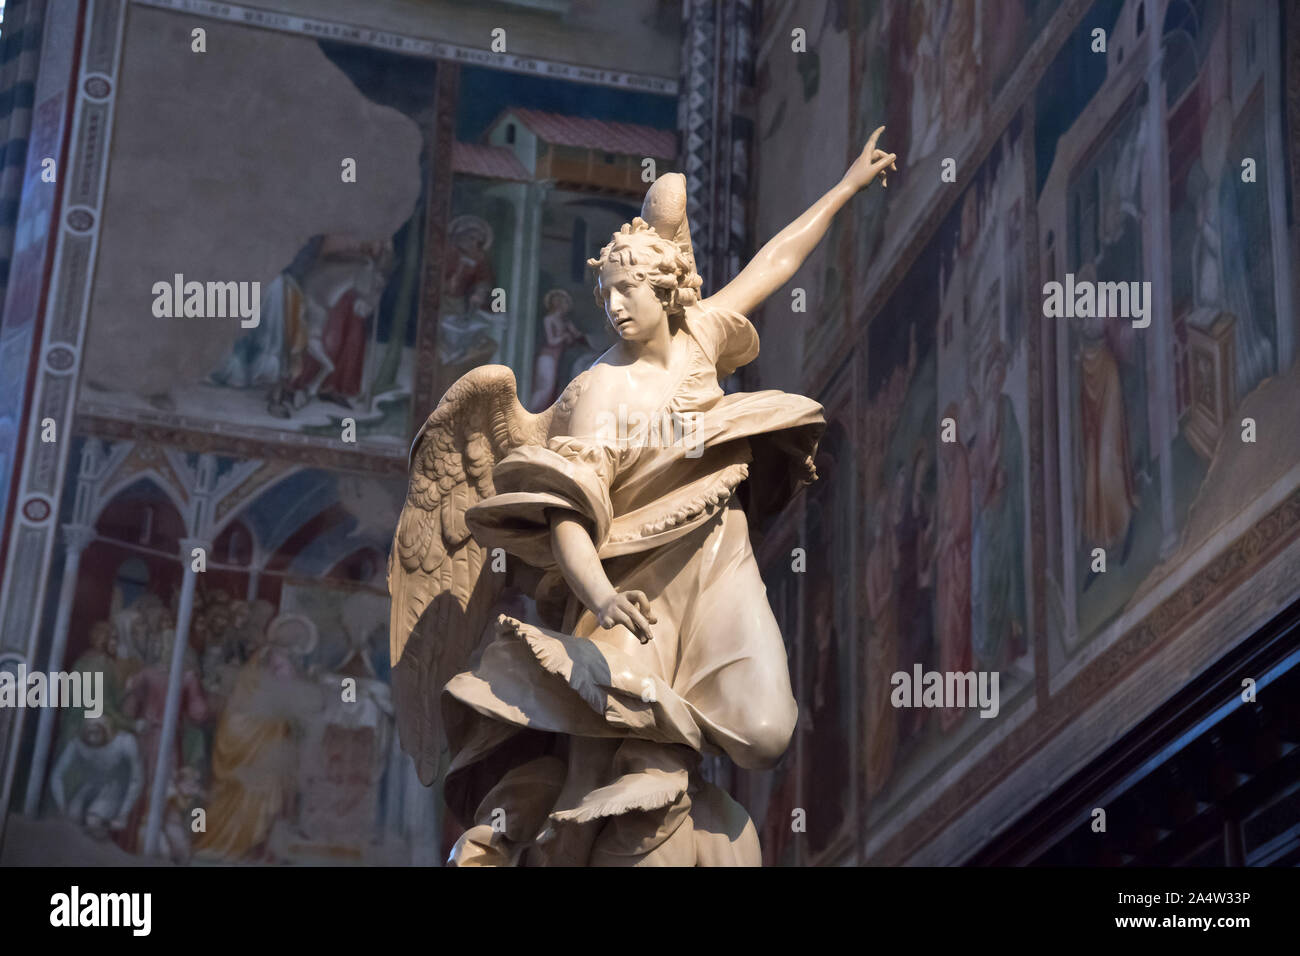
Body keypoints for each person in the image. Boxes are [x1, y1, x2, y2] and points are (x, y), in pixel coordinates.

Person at [401, 132, 899, 866]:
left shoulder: (700, 339)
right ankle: (525, 819)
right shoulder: (599, 391)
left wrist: (847, 186)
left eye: (626, 290)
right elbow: (566, 514)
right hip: (628, 594)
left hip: (718, 563)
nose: (613, 306)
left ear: (665, 289)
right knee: (598, 773)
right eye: (605, 292)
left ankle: (639, 781)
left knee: (765, 732)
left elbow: (777, 260)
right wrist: (601, 599)